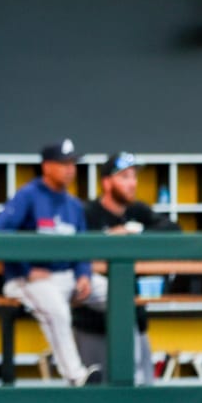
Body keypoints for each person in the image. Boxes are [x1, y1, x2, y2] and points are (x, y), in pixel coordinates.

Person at [0, 139, 98, 386]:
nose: (70, 169)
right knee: (57, 311)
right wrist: (27, 268)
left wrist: (84, 275)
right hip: (25, 279)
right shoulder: (27, 196)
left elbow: (82, 246)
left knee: (118, 294)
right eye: (63, 163)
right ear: (47, 166)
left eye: (72, 163)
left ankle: (129, 374)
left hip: (65, 277)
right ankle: (76, 376)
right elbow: (0, 235)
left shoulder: (73, 204)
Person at [75, 151, 178, 385]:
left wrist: (136, 233)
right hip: (93, 324)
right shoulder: (88, 213)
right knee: (95, 395)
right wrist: (108, 237)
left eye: (134, 177)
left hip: (135, 319)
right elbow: (76, 248)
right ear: (106, 182)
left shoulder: (137, 212)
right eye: (124, 177)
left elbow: (173, 229)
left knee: (141, 391)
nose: (132, 183)